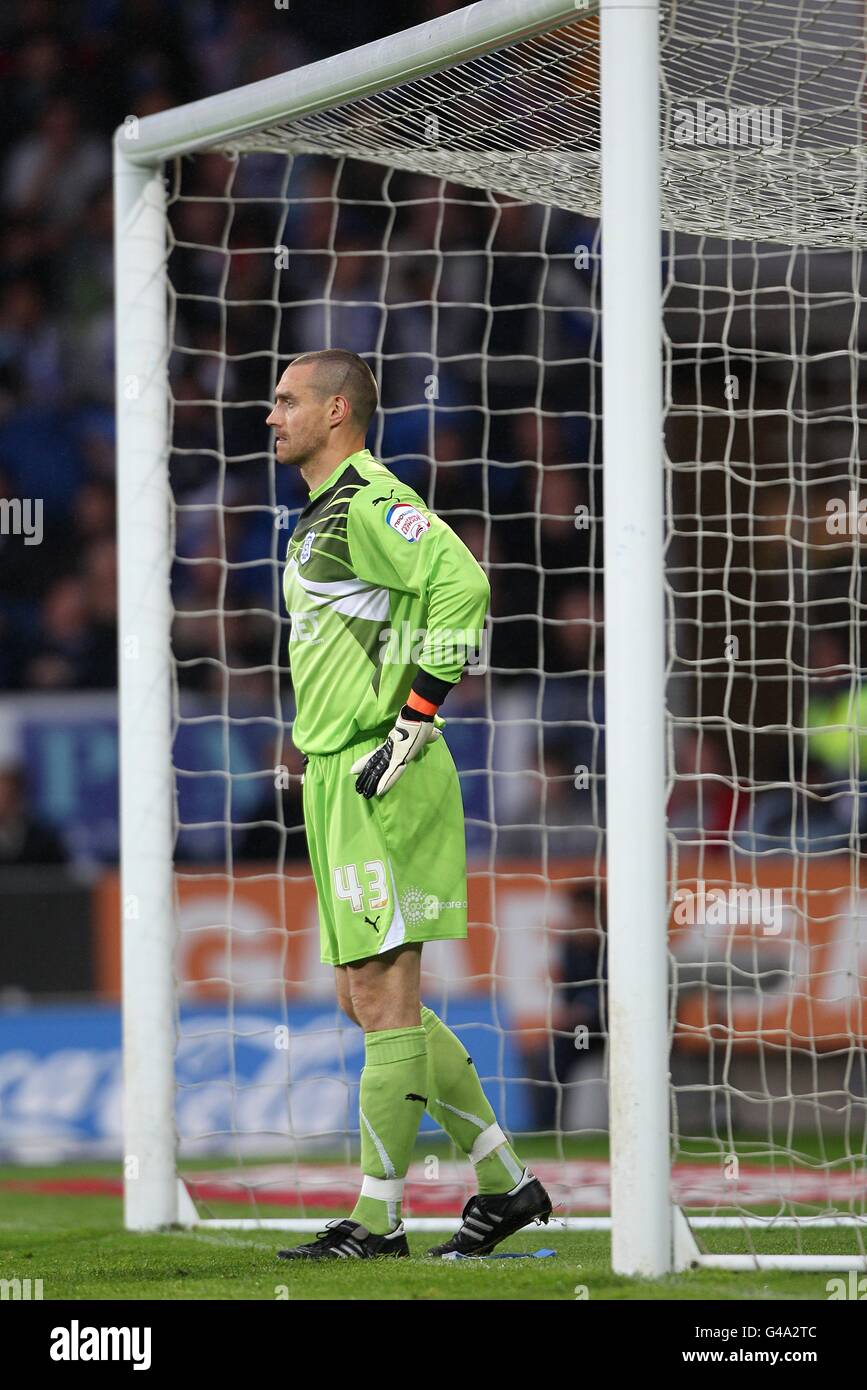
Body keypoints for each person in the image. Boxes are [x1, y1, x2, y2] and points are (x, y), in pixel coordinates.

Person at [267, 348, 552, 1260]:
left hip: (380, 770)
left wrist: (416, 716)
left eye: (286, 401)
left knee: (385, 1000)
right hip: (335, 773)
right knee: (362, 999)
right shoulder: (317, 515)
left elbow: (462, 581)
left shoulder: (366, 501)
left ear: (338, 410)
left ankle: (375, 1219)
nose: (270, 416)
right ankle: (506, 1184)